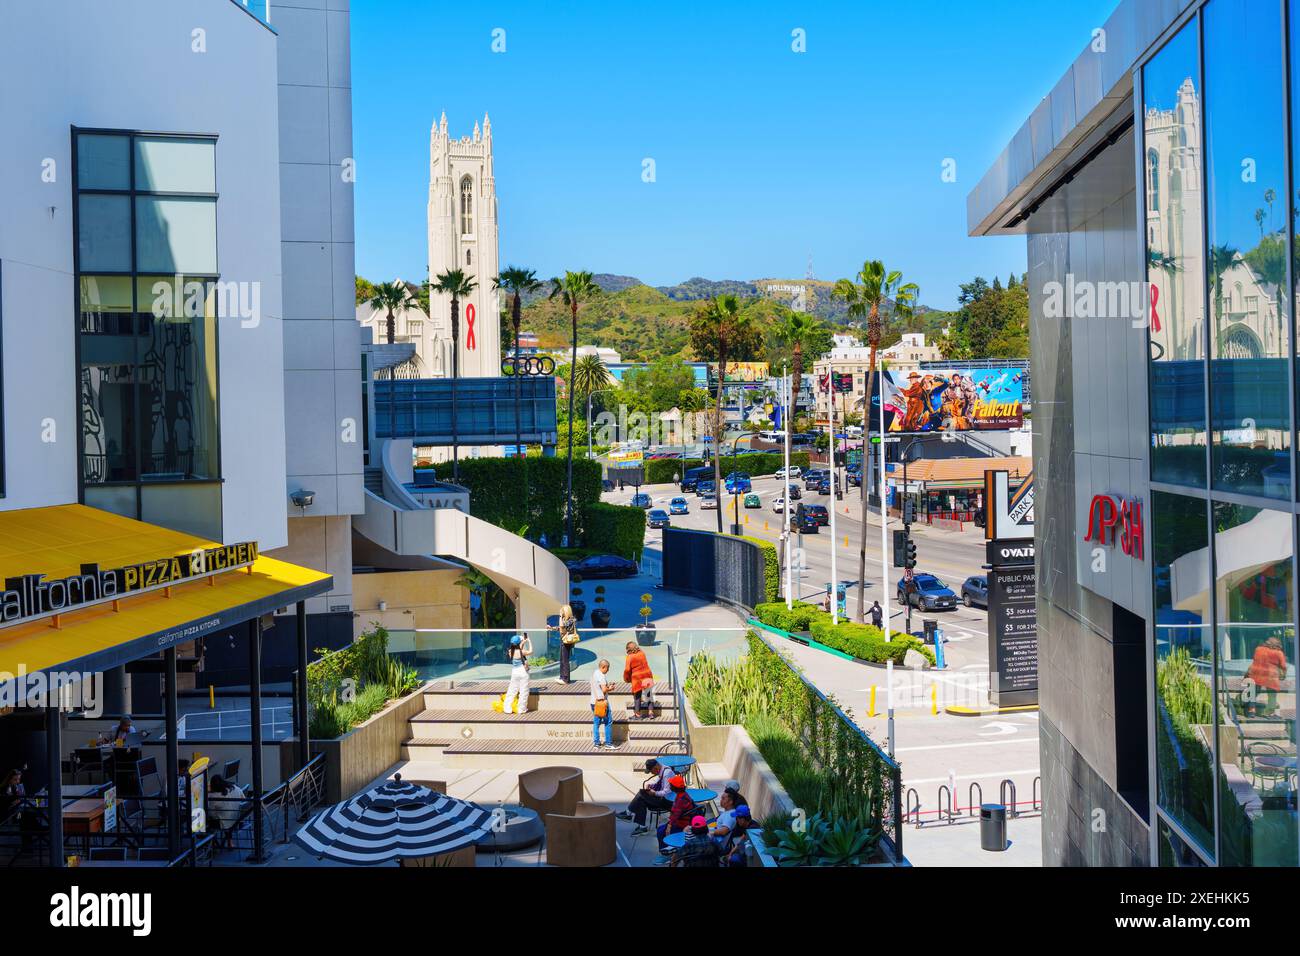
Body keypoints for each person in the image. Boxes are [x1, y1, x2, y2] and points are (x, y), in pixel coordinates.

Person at [617, 759, 673, 834]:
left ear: (655, 768)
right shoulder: (661, 770)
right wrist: (651, 785)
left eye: (651, 771)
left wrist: (654, 793)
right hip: (662, 798)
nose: (651, 773)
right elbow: (659, 782)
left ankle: (628, 814)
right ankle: (641, 827)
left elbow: (667, 791)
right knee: (641, 799)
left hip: (668, 801)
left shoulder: (667, 773)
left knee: (641, 794)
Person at [655, 775, 696, 864]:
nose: (669, 785)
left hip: (682, 825)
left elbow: (675, 815)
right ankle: (667, 851)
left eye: (671, 784)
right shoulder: (682, 794)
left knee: (661, 831)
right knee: (661, 829)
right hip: (681, 822)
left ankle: (666, 854)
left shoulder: (681, 799)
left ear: (675, 787)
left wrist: (669, 826)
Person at [1246, 633, 1290, 716]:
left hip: (1256, 673)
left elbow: (1255, 659)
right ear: (1277, 645)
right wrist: (1283, 673)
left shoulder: (1258, 649)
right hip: (1270, 676)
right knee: (1272, 695)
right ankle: (1269, 713)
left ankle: (1251, 711)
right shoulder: (1279, 653)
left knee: (1253, 693)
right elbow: (1283, 666)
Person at [207, 774, 246, 841]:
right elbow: (244, 800)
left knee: (205, 822)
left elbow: (211, 814)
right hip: (237, 820)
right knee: (225, 814)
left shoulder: (214, 796)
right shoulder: (235, 788)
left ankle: (211, 845)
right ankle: (229, 841)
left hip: (225, 823)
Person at [623, 641, 656, 719]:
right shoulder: (642, 653)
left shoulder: (630, 657)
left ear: (628, 649)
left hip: (637, 677)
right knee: (648, 694)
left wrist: (626, 679)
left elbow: (627, 670)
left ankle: (637, 714)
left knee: (637, 696)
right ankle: (651, 713)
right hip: (647, 674)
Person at [501, 634, 532, 716]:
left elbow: (518, 648)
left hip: (515, 672)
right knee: (523, 691)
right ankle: (521, 709)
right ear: (519, 643)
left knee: (512, 690)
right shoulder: (521, 652)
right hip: (523, 672)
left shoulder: (510, 651)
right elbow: (531, 651)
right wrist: (529, 641)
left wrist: (523, 642)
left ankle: (507, 708)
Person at [590, 658, 616, 749]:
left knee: (596, 723)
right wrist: (611, 688)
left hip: (594, 702)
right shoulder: (601, 676)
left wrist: (607, 686)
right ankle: (608, 743)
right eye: (607, 668)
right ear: (603, 667)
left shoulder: (595, 673)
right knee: (608, 722)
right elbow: (604, 690)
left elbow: (599, 688)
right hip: (602, 703)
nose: (608, 670)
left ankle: (596, 743)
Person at [550, 605, 579, 684]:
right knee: (562, 659)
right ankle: (562, 677)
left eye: (562, 611)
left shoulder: (571, 620)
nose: (561, 613)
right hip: (564, 640)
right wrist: (552, 628)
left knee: (565, 660)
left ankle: (565, 679)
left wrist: (560, 616)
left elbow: (562, 627)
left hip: (567, 642)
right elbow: (562, 628)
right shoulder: (566, 620)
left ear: (566, 611)